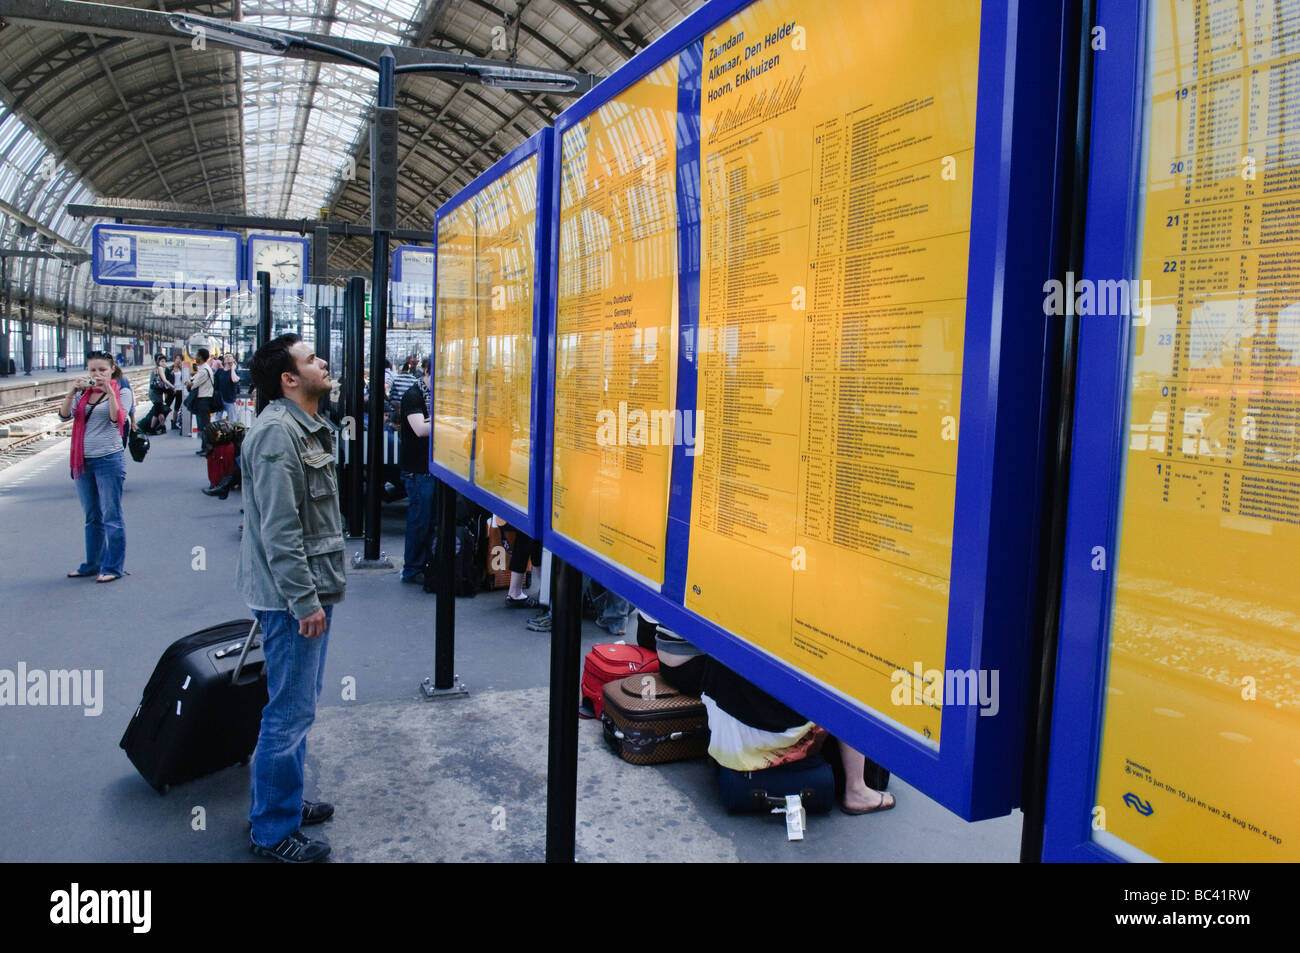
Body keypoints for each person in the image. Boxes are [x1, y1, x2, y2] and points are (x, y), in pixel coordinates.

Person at [238, 333, 344, 863]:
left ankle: (283, 801)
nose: (323, 363)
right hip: (290, 599)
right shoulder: (280, 435)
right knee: (288, 712)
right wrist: (305, 603)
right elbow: (281, 532)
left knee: (296, 705)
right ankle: (273, 830)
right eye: (311, 359)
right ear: (289, 378)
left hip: (296, 591)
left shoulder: (302, 427)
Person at [58, 351, 132, 583]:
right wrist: (72, 391)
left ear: (112, 370)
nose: (97, 374)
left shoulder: (122, 391)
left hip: (109, 460)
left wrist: (110, 392)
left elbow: (115, 419)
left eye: (102, 370)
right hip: (83, 461)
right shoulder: (83, 394)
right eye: (93, 370)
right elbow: (63, 416)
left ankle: (113, 567)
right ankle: (92, 564)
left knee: (112, 515)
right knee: (92, 516)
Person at [398, 358, 434, 584]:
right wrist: (446, 421)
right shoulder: (413, 395)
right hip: (417, 468)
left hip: (426, 467)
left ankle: (420, 565)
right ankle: (412, 569)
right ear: (426, 372)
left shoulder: (429, 396)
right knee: (420, 520)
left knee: (426, 519)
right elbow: (421, 429)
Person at [186, 348, 216, 455]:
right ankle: (204, 447)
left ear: (201, 357)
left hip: (204, 400)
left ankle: (208, 448)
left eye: (197, 355)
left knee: (204, 426)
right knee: (202, 425)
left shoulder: (204, 371)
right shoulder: (203, 369)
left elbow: (193, 384)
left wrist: (189, 384)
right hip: (202, 400)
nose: (195, 357)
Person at [139, 354, 174, 435]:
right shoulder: (160, 368)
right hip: (156, 393)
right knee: (158, 411)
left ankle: (161, 427)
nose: (163, 362)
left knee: (158, 411)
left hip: (154, 392)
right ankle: (154, 428)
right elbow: (164, 380)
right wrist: (172, 387)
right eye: (162, 361)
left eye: (165, 361)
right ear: (158, 362)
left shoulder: (155, 369)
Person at [214, 352, 239, 421]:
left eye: (230, 356)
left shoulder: (235, 371)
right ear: (223, 360)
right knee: (217, 420)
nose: (228, 357)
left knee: (232, 420)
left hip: (230, 400)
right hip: (219, 399)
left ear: (233, 359)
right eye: (226, 356)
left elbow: (234, 380)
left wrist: (233, 369)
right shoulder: (219, 371)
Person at [169, 354, 188, 431]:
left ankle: (174, 423)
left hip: (180, 390)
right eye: (177, 358)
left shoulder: (182, 369)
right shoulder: (170, 369)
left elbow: (185, 377)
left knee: (177, 407)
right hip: (172, 389)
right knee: (167, 406)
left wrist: (182, 368)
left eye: (180, 359)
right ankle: (161, 422)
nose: (178, 360)